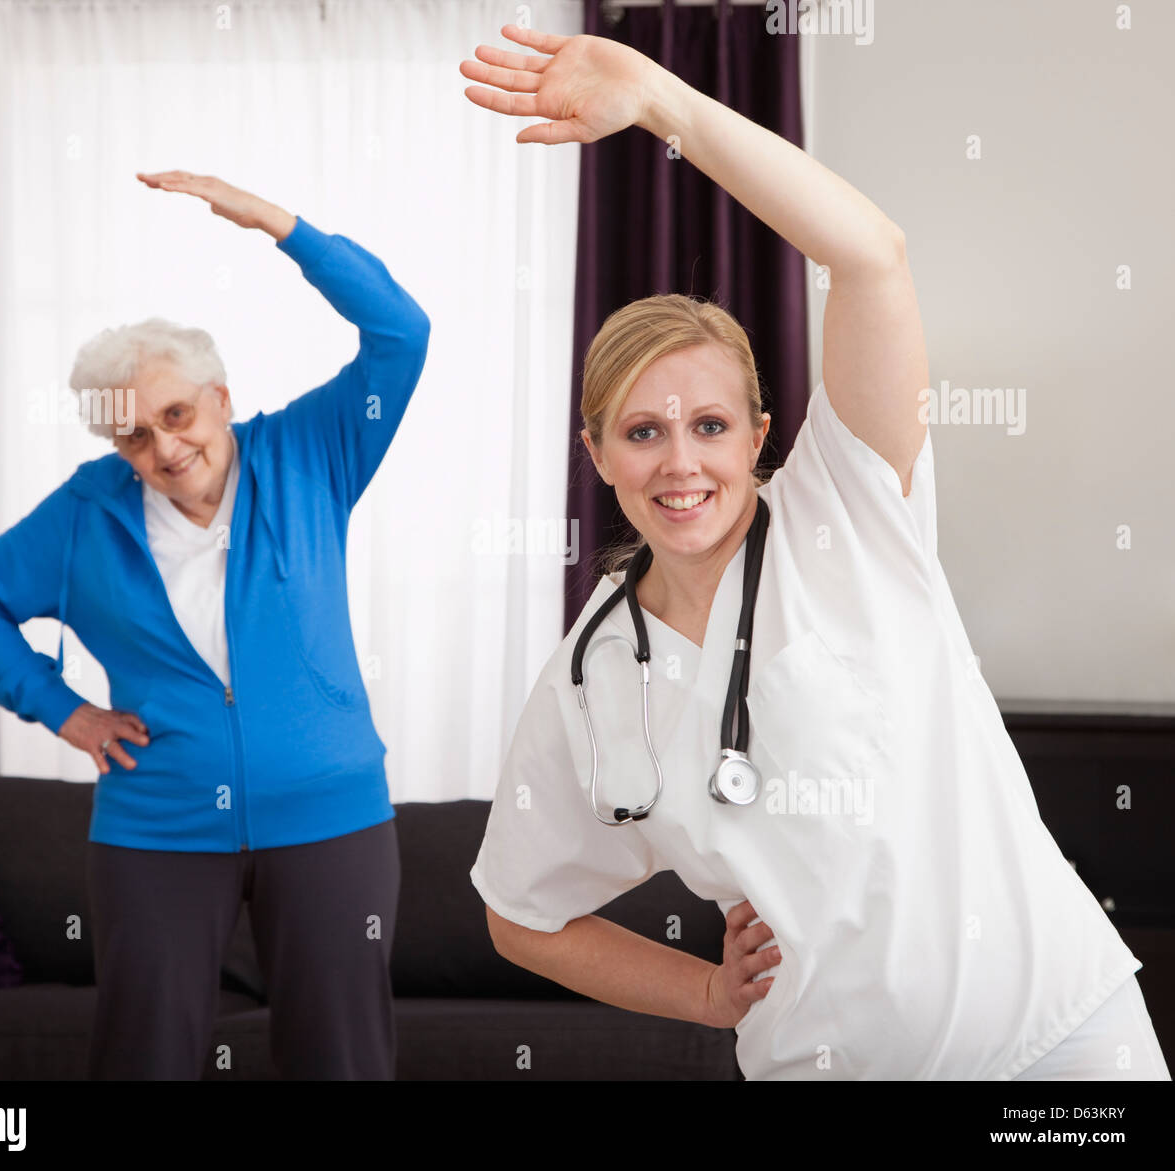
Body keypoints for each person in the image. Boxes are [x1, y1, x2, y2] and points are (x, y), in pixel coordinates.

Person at [462, 26, 1169, 1080]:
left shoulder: (847, 511)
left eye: (708, 425)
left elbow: (869, 252)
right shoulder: (589, 674)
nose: (679, 462)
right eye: (641, 431)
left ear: (757, 434)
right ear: (596, 454)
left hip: (1054, 1039)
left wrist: (663, 103)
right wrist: (704, 991)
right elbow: (519, 917)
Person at [0, 172, 430, 1079]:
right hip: (157, 826)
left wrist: (285, 228)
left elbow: (403, 332)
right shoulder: (87, 514)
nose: (164, 449)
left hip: (329, 817)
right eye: (132, 436)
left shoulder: (313, 451)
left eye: (176, 414)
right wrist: (62, 708)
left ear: (220, 396)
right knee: (144, 1061)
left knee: (342, 1063)